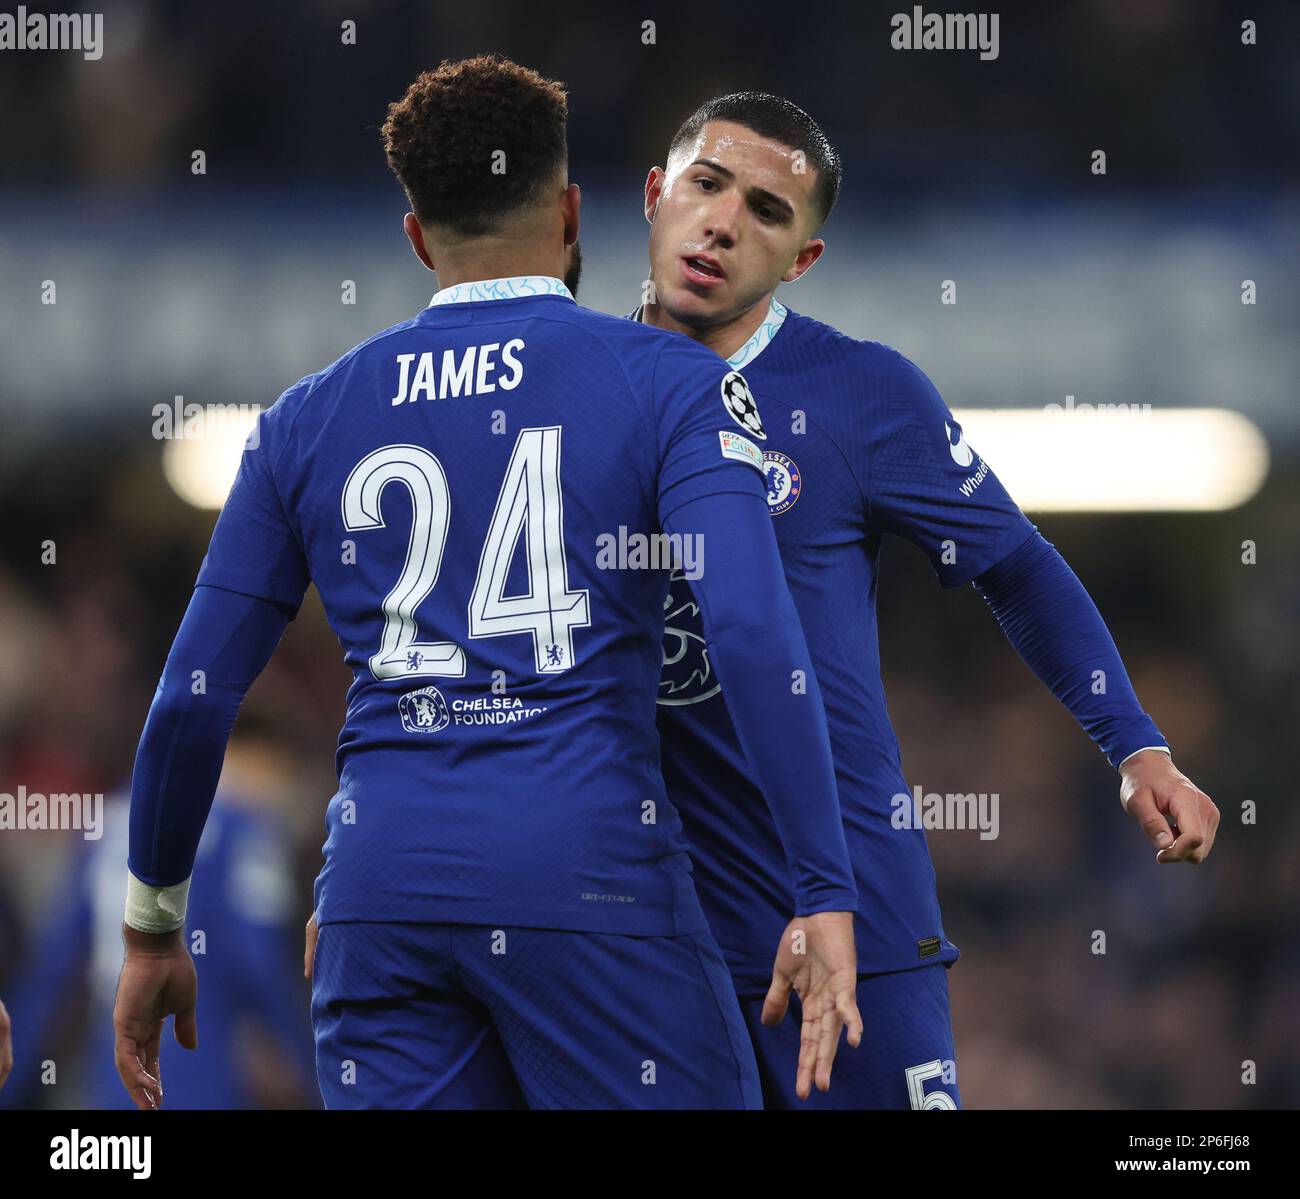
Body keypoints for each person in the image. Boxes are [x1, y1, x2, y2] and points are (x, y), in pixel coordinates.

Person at [114, 57, 861, 1112]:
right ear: (569, 213)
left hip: (379, 895)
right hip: (590, 879)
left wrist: (153, 925)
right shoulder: (675, 385)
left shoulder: (303, 420)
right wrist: (822, 887)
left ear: (419, 239)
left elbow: (190, 697)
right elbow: (744, 625)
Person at [636, 92, 1220, 1109]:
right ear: (656, 194)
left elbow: (1016, 565)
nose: (724, 223)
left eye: (769, 211)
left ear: (801, 259)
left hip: (853, 918)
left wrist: (1134, 743)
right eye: (706, 184)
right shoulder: (571, 394)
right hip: (633, 937)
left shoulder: (860, 394)